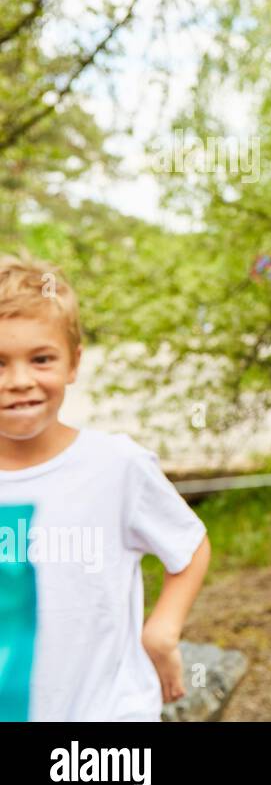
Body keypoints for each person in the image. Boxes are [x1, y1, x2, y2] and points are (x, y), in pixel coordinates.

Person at [0, 254, 209, 720]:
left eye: (41, 359)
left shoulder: (116, 465)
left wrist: (162, 631)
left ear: (73, 363)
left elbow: (189, 544)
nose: (19, 381)